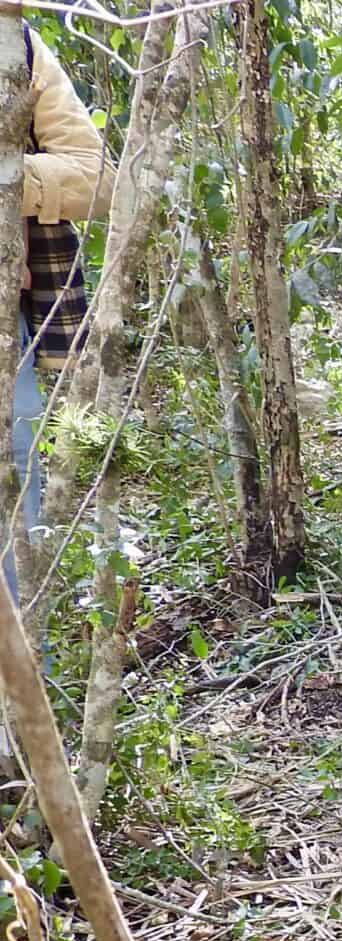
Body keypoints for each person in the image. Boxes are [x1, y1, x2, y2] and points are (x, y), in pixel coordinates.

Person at [12, 25, 113, 593]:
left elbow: (95, 178)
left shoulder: (14, 44)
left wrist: (9, 177)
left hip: (5, 319)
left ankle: (20, 677)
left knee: (13, 476)